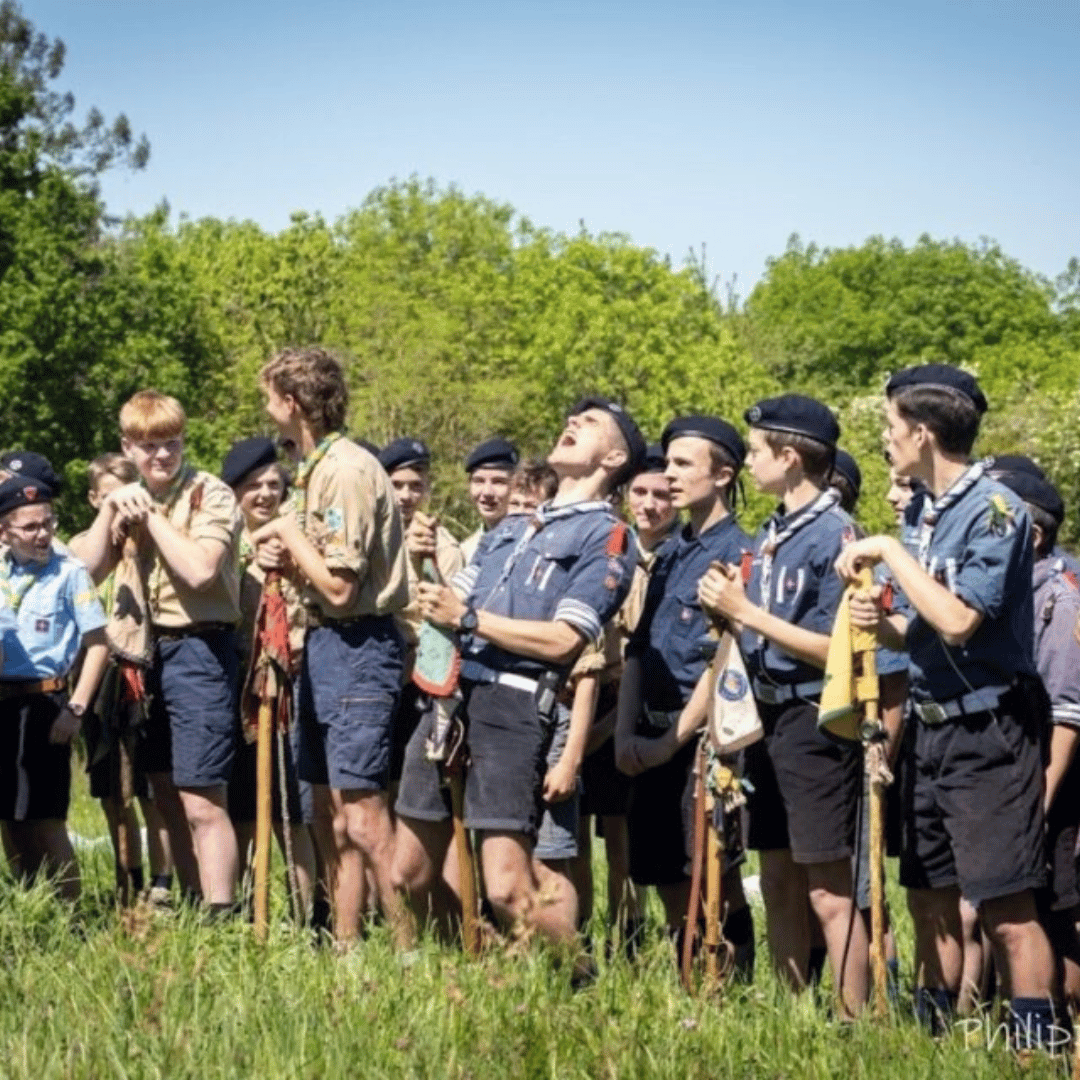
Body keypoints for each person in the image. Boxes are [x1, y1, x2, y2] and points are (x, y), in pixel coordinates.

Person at [835, 363, 1057, 1050]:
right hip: (931, 730)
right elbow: (930, 630)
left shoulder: (995, 510)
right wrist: (883, 623)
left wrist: (890, 555)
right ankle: (930, 1043)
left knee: (1005, 908)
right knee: (928, 895)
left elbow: (962, 622)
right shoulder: (928, 514)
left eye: (890, 427)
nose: (884, 439)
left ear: (924, 434)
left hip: (988, 730)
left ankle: (1036, 1050)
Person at [393, 396, 642, 969]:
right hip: (450, 696)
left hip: (513, 703)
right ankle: (466, 973)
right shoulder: (513, 525)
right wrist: (427, 567)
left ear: (615, 456)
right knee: (407, 873)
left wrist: (469, 618)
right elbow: (458, 599)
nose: (572, 423)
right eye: (571, 417)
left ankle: (579, 978)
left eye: (591, 424)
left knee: (506, 886)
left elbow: (563, 641)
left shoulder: (607, 537)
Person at [698, 394, 867, 1017]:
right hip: (763, 717)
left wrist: (750, 614)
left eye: (757, 452)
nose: (748, 462)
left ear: (790, 457)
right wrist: (728, 611)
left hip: (812, 720)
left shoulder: (836, 535)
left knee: (826, 884)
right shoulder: (772, 531)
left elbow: (836, 648)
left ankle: (857, 1020)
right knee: (776, 876)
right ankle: (793, 1009)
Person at [253, 346, 413, 948]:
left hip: (358, 645)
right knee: (329, 814)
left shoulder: (345, 470)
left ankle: (407, 949)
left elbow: (343, 588)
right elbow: (320, 573)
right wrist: (284, 559)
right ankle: (345, 946)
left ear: (292, 403)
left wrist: (289, 533)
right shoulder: (312, 467)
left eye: (271, 398)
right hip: (322, 643)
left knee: (364, 813)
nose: (268, 411)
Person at [77, 390, 243, 916]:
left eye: (171, 443)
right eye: (148, 447)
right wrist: (111, 512)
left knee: (202, 798)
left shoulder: (209, 494)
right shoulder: (127, 494)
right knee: (164, 795)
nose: (162, 456)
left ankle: (222, 915)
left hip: (200, 647)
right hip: (145, 657)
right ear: (128, 448)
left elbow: (199, 571)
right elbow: (86, 573)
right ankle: (192, 904)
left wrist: (149, 518)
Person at [614, 417, 754, 972]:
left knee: (715, 874)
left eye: (681, 464)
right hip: (650, 735)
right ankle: (689, 982)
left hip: (699, 742)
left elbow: (724, 659)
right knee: (667, 874)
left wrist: (670, 742)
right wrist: (628, 734)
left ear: (723, 475)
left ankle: (731, 989)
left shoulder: (739, 553)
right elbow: (639, 650)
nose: (668, 475)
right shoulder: (669, 554)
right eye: (665, 462)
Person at [69, 454, 175, 905]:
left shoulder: (150, 541)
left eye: (126, 493)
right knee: (112, 790)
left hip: (145, 673)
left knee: (151, 788)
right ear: (94, 497)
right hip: (97, 677)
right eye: (108, 495)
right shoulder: (78, 547)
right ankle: (126, 875)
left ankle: (164, 880)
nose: (117, 503)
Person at [220, 436, 319, 922]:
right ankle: (242, 914)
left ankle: (306, 918)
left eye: (273, 484)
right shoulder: (226, 543)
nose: (264, 493)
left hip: (292, 686)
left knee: (294, 815)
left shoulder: (301, 539)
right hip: (239, 686)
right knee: (241, 810)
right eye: (252, 485)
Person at [0, 475, 110, 900]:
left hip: (47, 704)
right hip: (4, 704)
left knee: (46, 818)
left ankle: (71, 912)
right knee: (11, 816)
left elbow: (97, 644)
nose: (42, 534)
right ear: (4, 531)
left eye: (48, 523)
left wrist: (76, 708)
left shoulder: (69, 574)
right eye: (30, 527)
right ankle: (29, 902)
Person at [997, 469, 1080, 1013]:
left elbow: (1067, 715)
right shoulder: (1012, 594)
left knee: (1060, 906)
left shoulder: (1058, 600)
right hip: (1014, 771)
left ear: (1033, 536)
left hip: (1055, 779)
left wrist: (1039, 802)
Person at [377, 438, 464, 794]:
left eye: (416, 486)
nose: (406, 495)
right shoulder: (375, 538)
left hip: (420, 675)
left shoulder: (442, 546)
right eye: (396, 485)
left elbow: (449, 616)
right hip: (377, 670)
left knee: (412, 787)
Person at [460, 438, 519, 564]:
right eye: (479, 481)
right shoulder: (467, 550)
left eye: (498, 482)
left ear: (516, 486)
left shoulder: (530, 542)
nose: (487, 492)